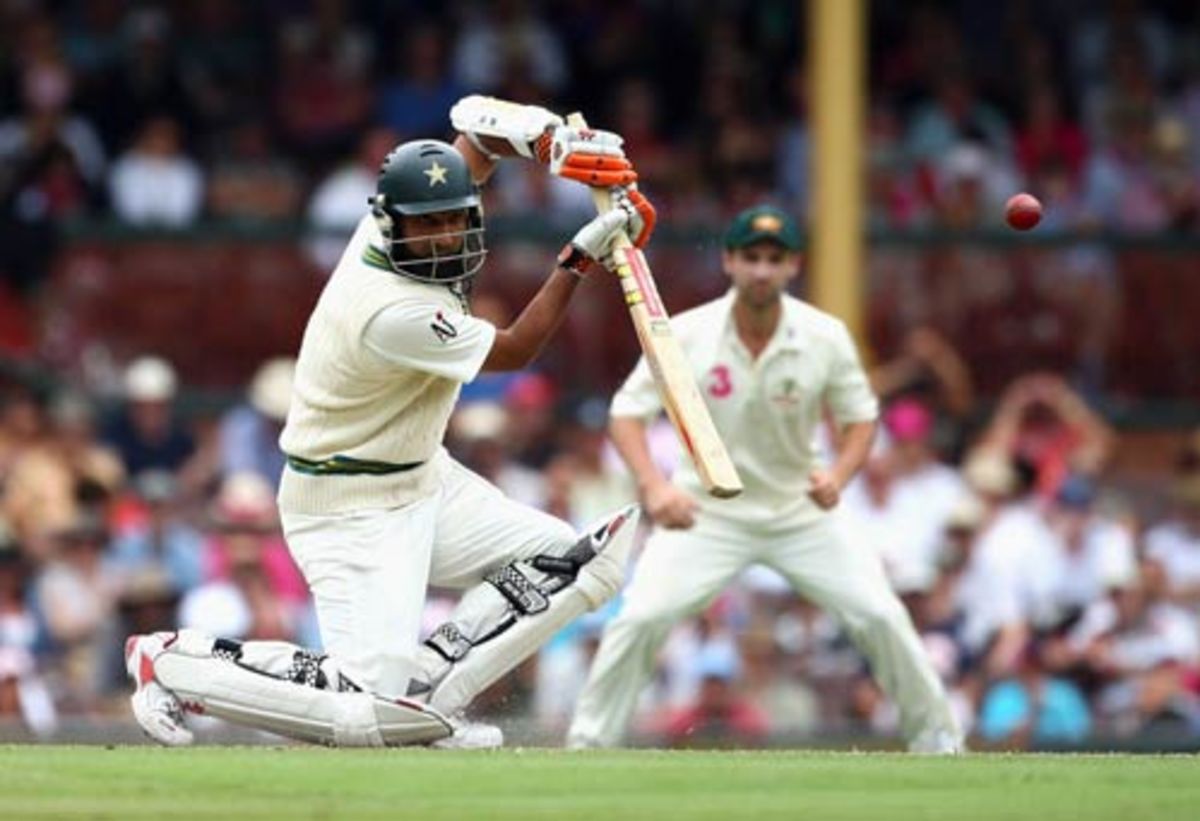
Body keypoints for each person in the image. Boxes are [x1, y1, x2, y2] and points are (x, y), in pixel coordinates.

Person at [124, 97, 656, 749]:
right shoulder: (389, 311)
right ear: (390, 223)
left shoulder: (387, 222)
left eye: (451, 222)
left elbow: (474, 138)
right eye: (423, 227)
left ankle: (430, 702)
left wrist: (548, 143)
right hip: (349, 507)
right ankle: (174, 661)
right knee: (364, 713)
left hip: (424, 475)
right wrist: (578, 258)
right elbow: (516, 350)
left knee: (577, 564)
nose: (440, 238)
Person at [567, 205, 963, 753]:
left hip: (799, 509)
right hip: (708, 512)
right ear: (729, 261)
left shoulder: (823, 335)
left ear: (793, 266)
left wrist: (840, 475)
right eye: (750, 257)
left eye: (774, 259)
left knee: (880, 614)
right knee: (641, 618)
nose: (761, 270)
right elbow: (626, 415)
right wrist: (656, 488)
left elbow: (863, 418)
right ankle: (589, 746)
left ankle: (939, 742)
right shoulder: (685, 333)